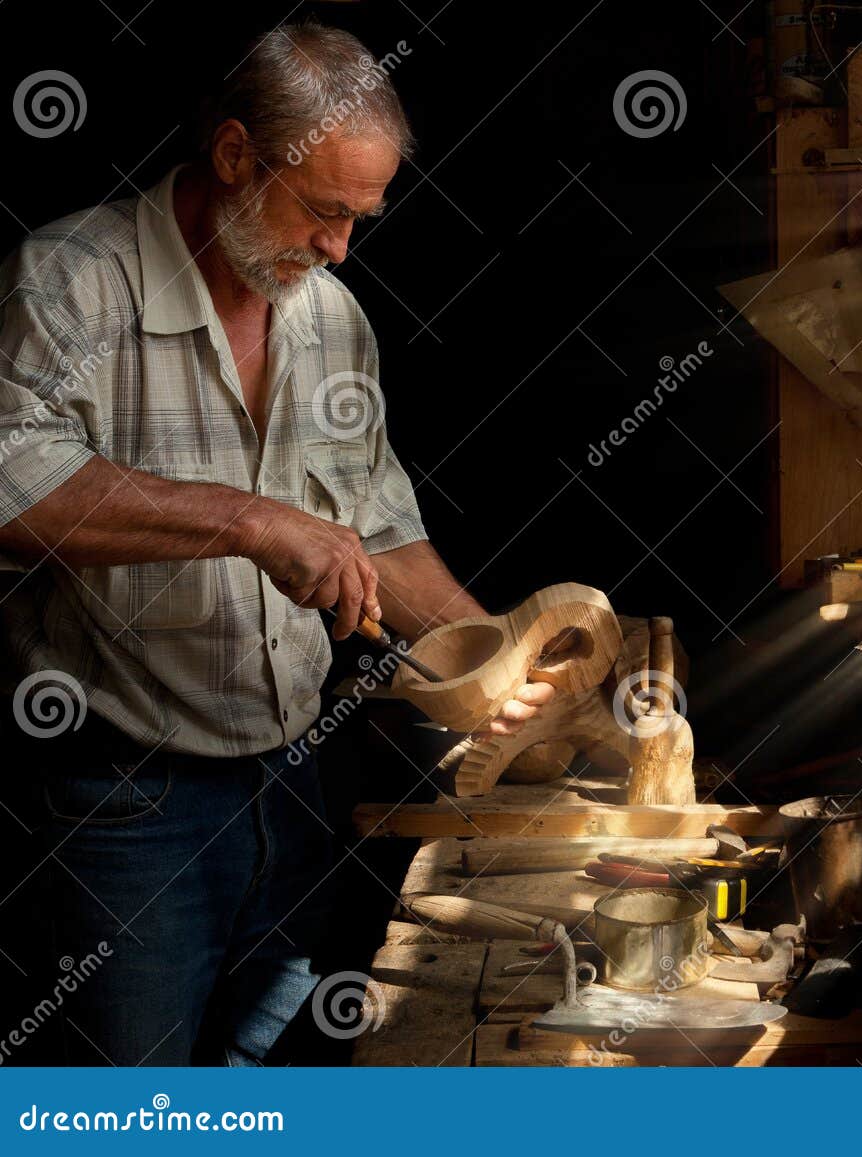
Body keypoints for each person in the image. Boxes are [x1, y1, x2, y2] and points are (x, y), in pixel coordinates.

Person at [0, 22, 549, 1064]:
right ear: (237, 155)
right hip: (126, 799)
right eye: (326, 211)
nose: (341, 248)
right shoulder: (69, 281)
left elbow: (378, 526)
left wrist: (498, 656)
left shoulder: (327, 316)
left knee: (265, 1083)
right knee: (131, 1108)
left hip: (294, 781)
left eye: (360, 220)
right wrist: (250, 521)